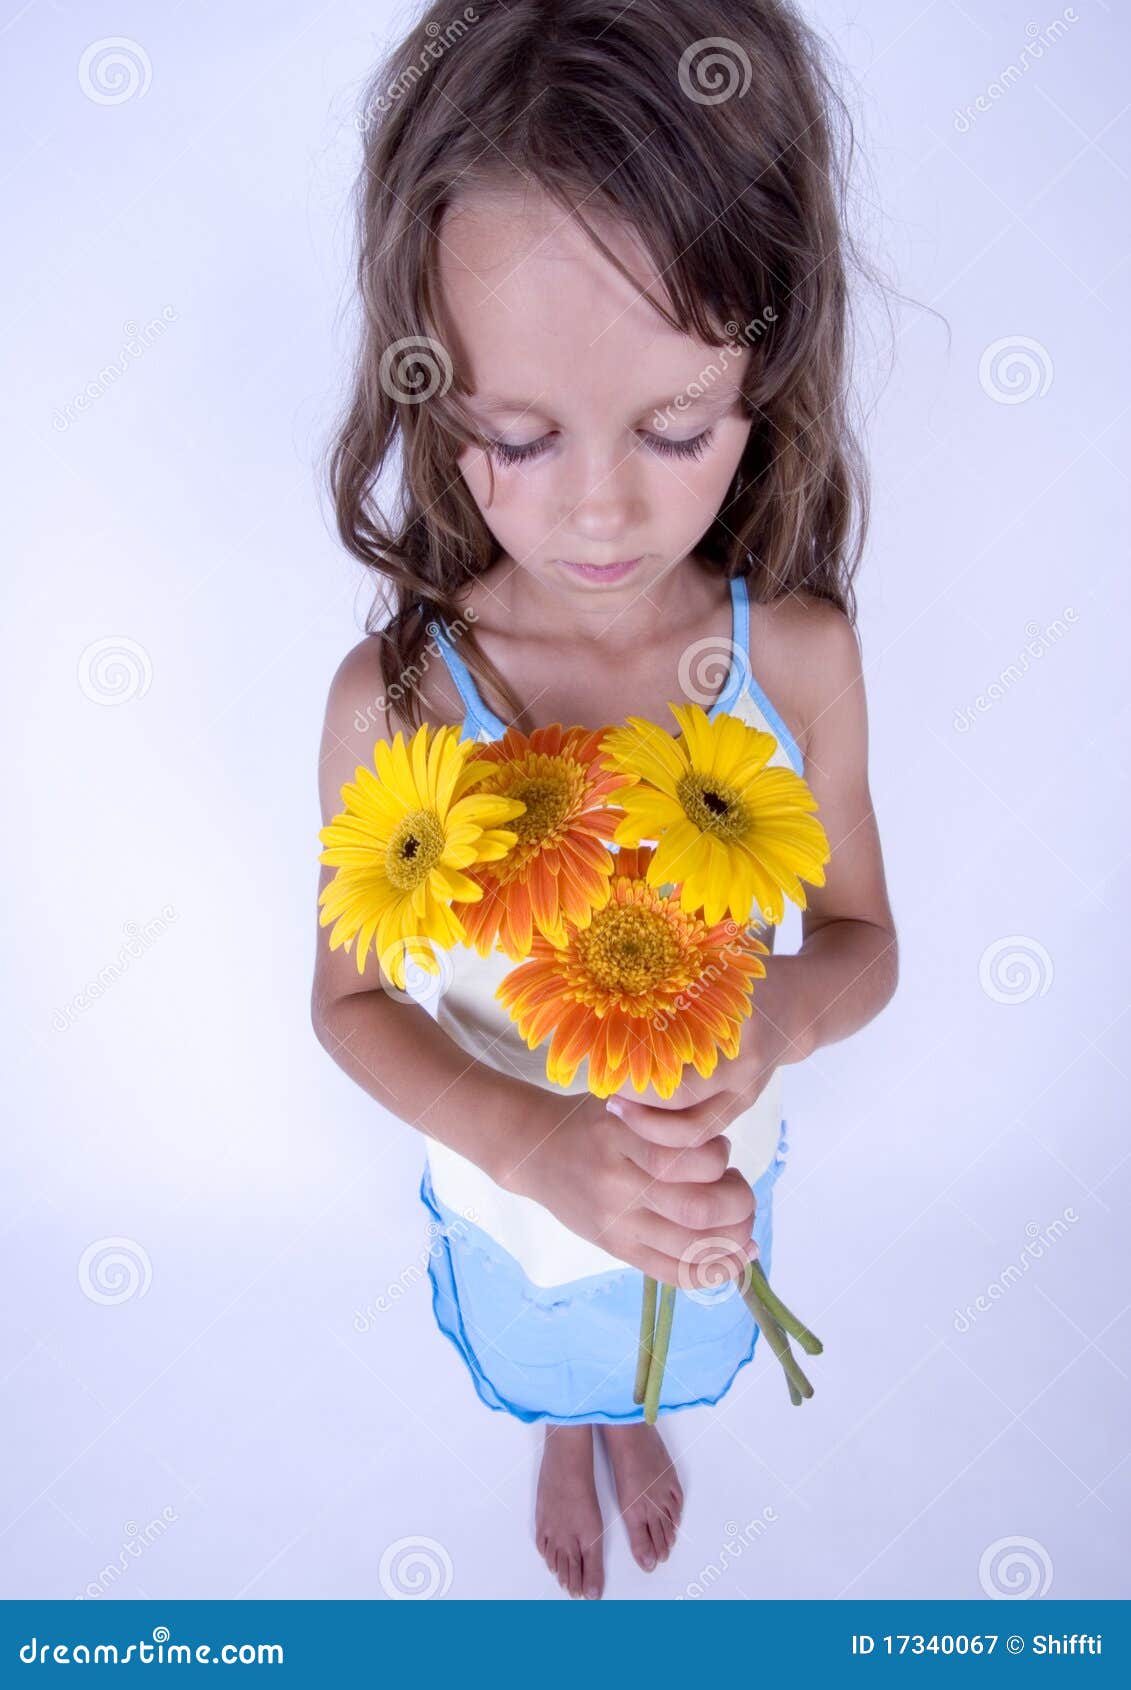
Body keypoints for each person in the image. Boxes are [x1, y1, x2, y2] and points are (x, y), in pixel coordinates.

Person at [311, 0, 898, 1600]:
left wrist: (766, 1023)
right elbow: (349, 1000)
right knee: (544, 1322)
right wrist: (529, 1141)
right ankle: (561, 1429)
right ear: (430, 387)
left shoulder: (794, 660)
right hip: (509, 1184)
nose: (595, 505)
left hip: (702, 1160)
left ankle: (630, 1407)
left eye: (671, 427)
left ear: (763, 365)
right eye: (515, 430)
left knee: (663, 1311)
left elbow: (862, 938)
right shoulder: (405, 701)